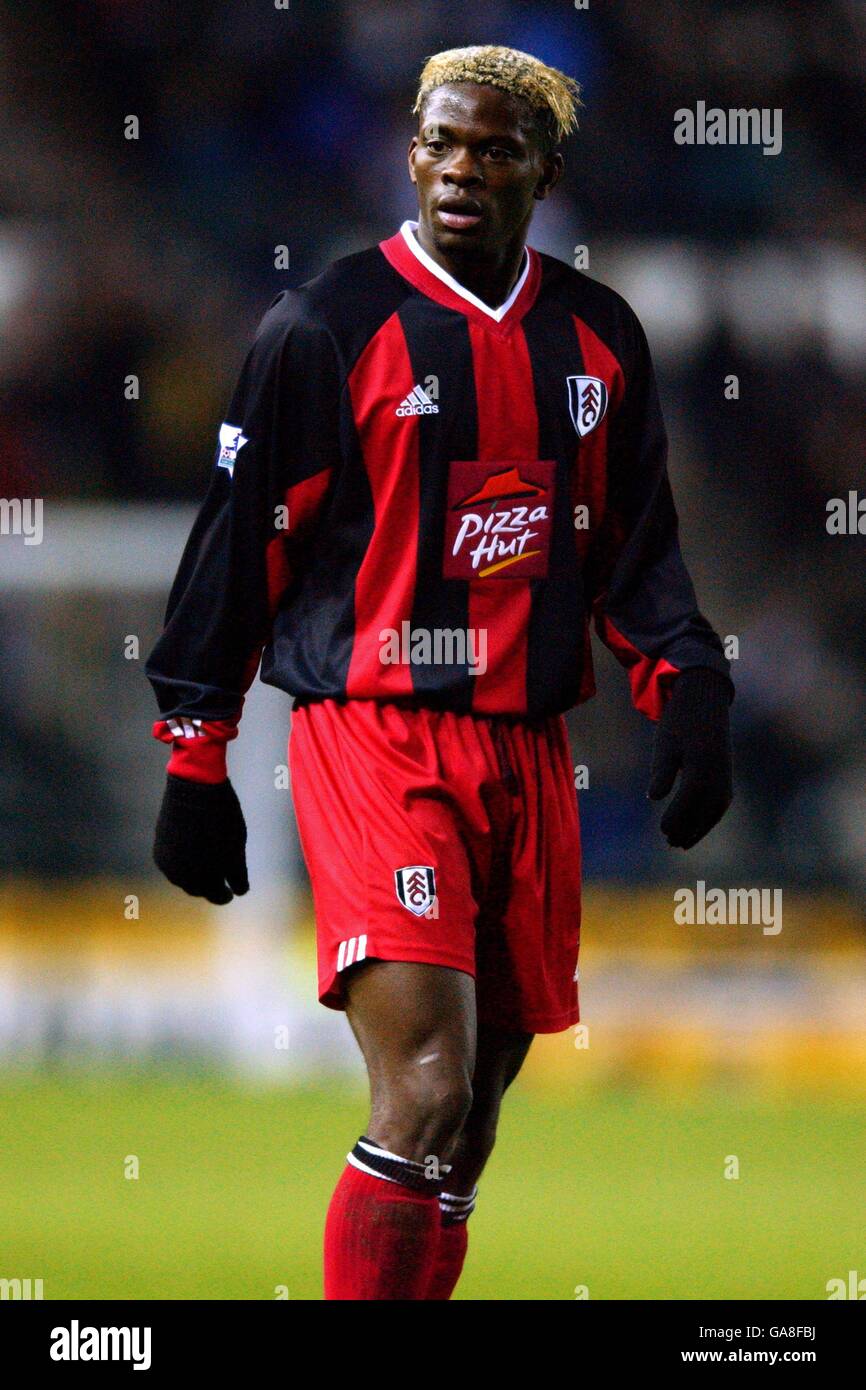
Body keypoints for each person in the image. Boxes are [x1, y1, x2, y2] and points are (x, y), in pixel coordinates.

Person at [146, 44, 733, 1301]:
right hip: (378, 736)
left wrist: (686, 682)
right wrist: (196, 754)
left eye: (493, 149)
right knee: (422, 1088)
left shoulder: (596, 336)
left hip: (524, 747)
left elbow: (633, 545)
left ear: (543, 172)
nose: (460, 169)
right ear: (408, 151)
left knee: (468, 1124)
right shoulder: (326, 325)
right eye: (439, 142)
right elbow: (239, 540)